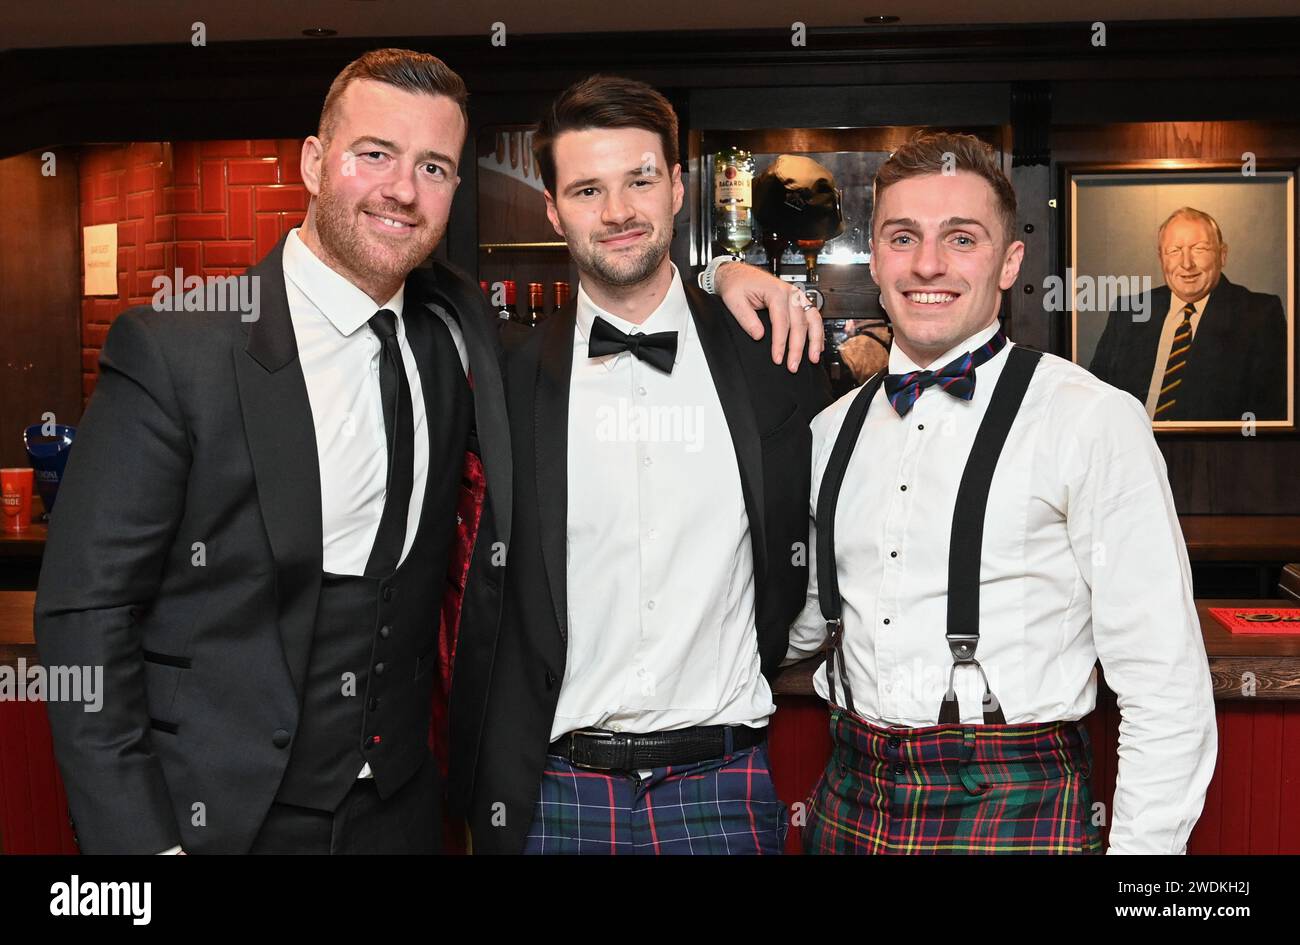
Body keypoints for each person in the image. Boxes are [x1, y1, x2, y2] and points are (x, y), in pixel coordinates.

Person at [36, 48, 819, 855]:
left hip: (408, 811)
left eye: (435, 167)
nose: (402, 189)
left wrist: (726, 272)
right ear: (312, 161)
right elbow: (83, 617)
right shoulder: (179, 350)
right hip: (223, 819)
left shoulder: (455, 342)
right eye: (374, 153)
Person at [784, 132, 1217, 854]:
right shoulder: (829, 431)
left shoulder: (1091, 418)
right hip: (847, 801)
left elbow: (1164, 682)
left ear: (1010, 261)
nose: (928, 263)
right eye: (903, 237)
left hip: (1017, 807)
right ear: (877, 259)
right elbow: (803, 620)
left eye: (962, 238)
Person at [459, 75, 830, 854]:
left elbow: (823, 541)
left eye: (640, 179)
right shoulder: (504, 382)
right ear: (553, 209)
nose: (620, 210)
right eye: (589, 189)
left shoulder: (775, 358)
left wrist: (726, 271)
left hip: (722, 786)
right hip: (555, 790)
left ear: (679, 190)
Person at [1088, 206, 1287, 421]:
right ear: (1161, 258)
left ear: (1223, 255)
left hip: (1215, 452)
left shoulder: (1259, 315)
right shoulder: (1130, 311)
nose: (1186, 264)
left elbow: (1270, 414)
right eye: (1174, 251)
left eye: (1199, 249)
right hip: (1130, 447)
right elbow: (1097, 398)